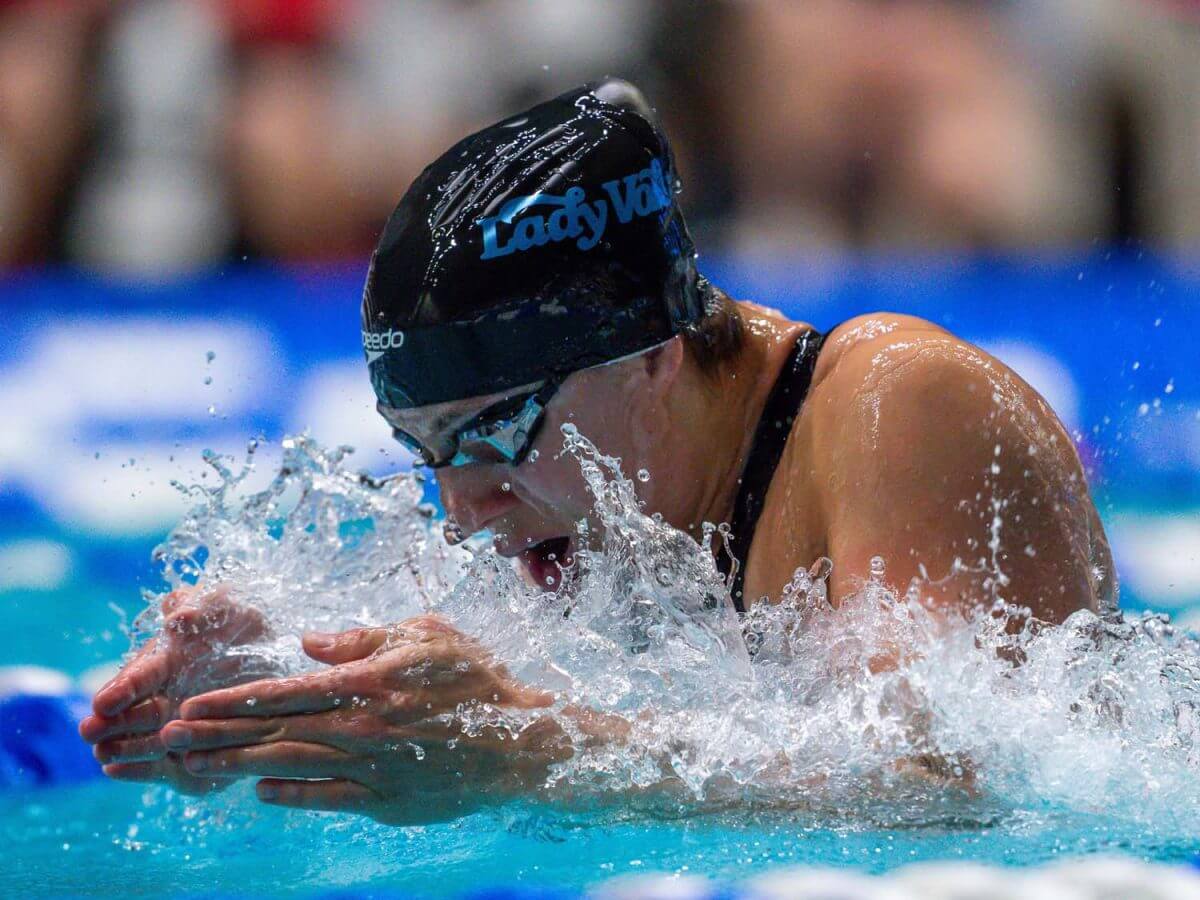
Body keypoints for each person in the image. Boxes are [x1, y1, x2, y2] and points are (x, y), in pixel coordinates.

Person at [80, 79, 1115, 823]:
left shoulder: (901, 404)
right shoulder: (605, 514)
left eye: (494, 434)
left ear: (652, 353)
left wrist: (519, 749)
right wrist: (272, 692)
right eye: (425, 449)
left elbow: (953, 782)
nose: (462, 508)